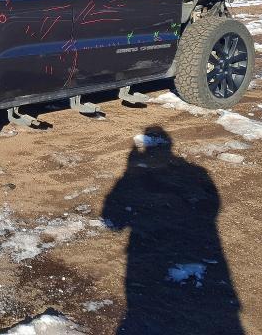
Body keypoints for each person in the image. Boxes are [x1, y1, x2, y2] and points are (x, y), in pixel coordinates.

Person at [102, 127, 243, 334]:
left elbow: (112, 220)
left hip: (149, 253)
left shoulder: (182, 175)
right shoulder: (196, 173)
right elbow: (212, 205)